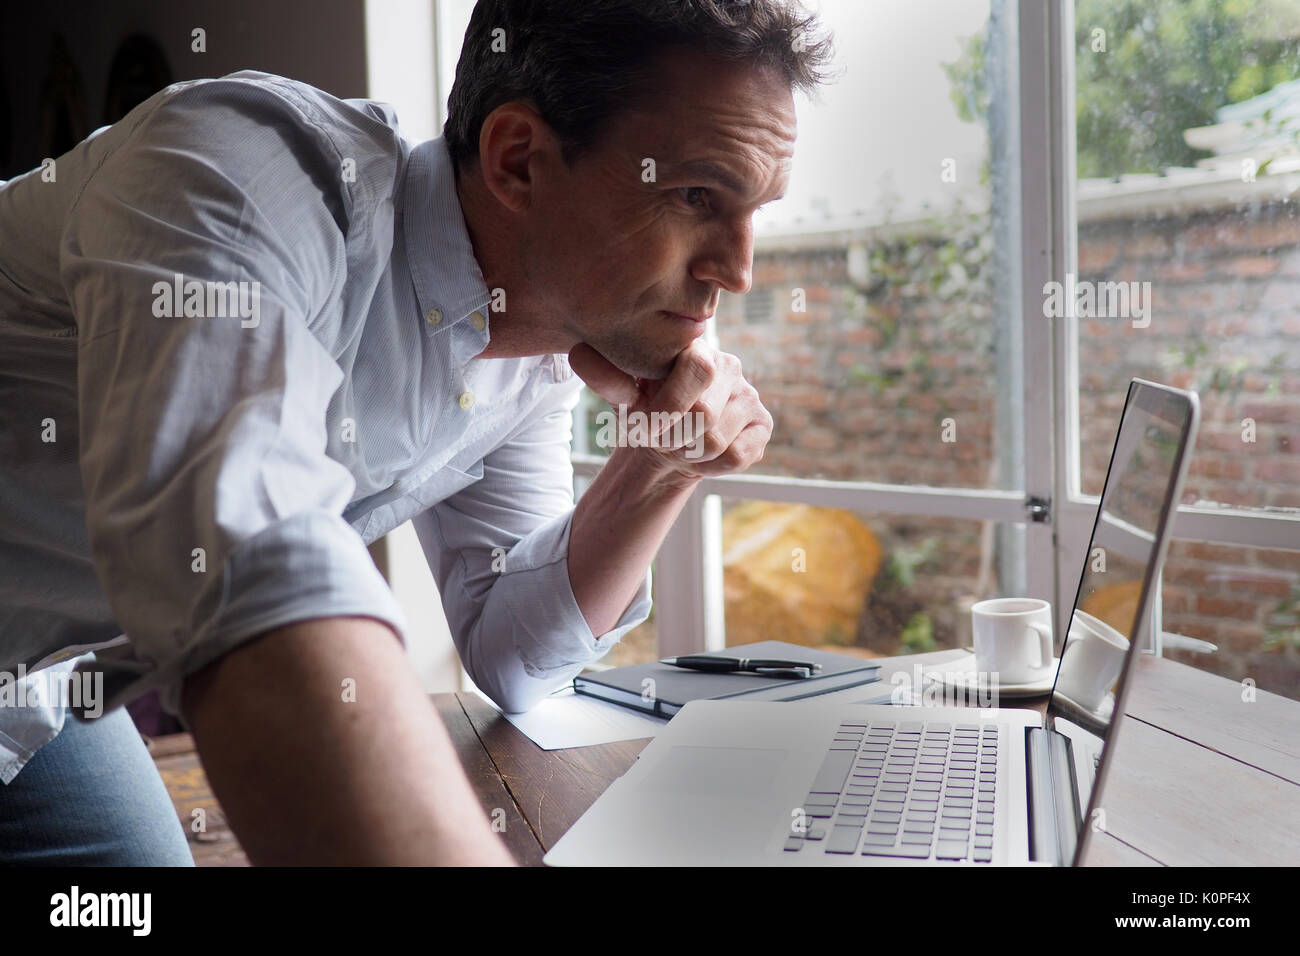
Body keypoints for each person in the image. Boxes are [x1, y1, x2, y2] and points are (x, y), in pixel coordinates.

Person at [0, 0, 833, 865]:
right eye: (697, 194)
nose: (737, 270)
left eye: (755, 212)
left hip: (38, 685)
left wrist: (662, 462)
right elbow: (235, 559)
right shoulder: (243, 170)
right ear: (518, 161)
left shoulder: (528, 358)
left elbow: (511, 657)